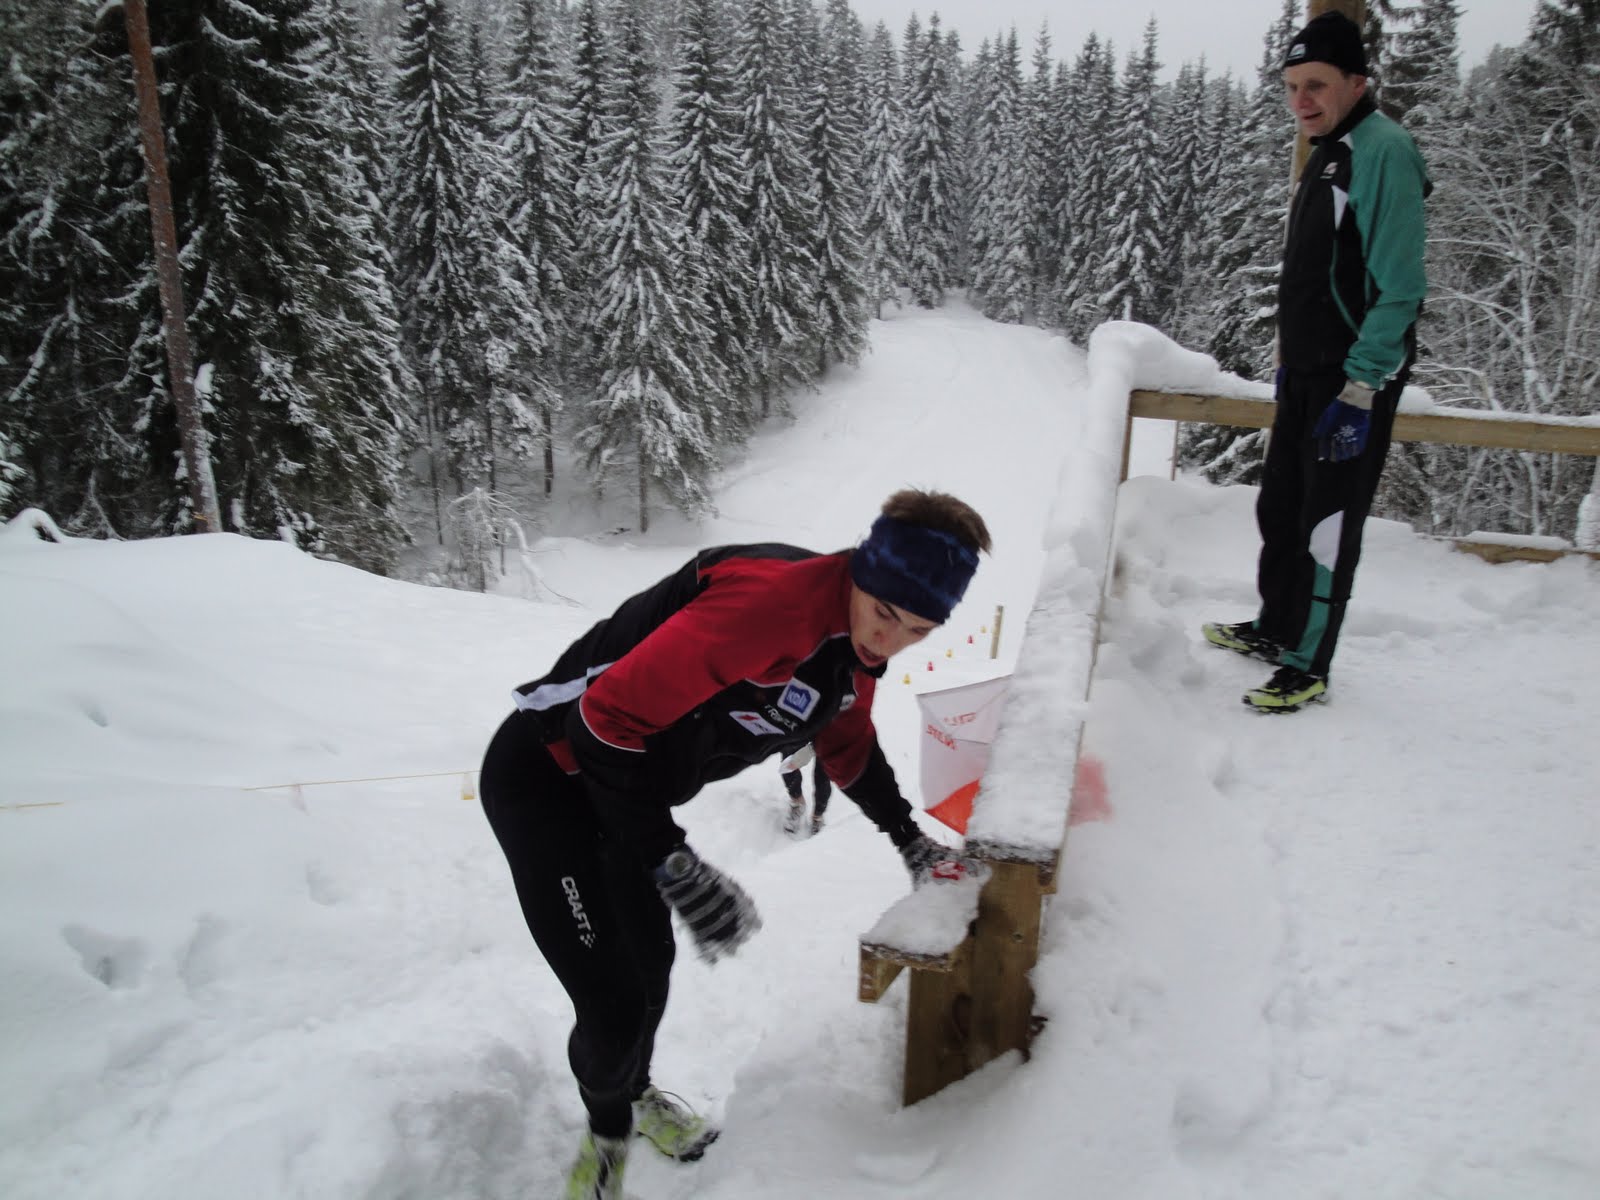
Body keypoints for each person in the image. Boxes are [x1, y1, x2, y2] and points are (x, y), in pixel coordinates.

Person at [478, 489, 992, 1200]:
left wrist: (907, 838)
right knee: (613, 1003)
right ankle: (605, 1144)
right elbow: (601, 722)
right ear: (862, 572)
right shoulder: (769, 609)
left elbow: (844, 741)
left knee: (651, 967)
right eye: (884, 615)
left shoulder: (851, 649)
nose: (891, 641)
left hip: (625, 798)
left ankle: (635, 1089)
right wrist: (670, 855)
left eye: (918, 630)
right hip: (550, 778)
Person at [1202, 10, 1430, 713]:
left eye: (1317, 84)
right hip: (1305, 372)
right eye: (1292, 85)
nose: (1301, 99)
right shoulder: (1329, 148)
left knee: (1328, 521)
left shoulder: (1381, 150)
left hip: (1350, 380)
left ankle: (1309, 663)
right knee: (1283, 508)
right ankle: (1278, 628)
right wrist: (1292, 365)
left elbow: (1400, 285)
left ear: (1357, 81)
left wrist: (1362, 385)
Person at [779, 743, 831, 836]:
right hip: (799, 730)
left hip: (828, 733)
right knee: (788, 761)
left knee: (823, 772)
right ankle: (798, 803)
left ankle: (817, 816)